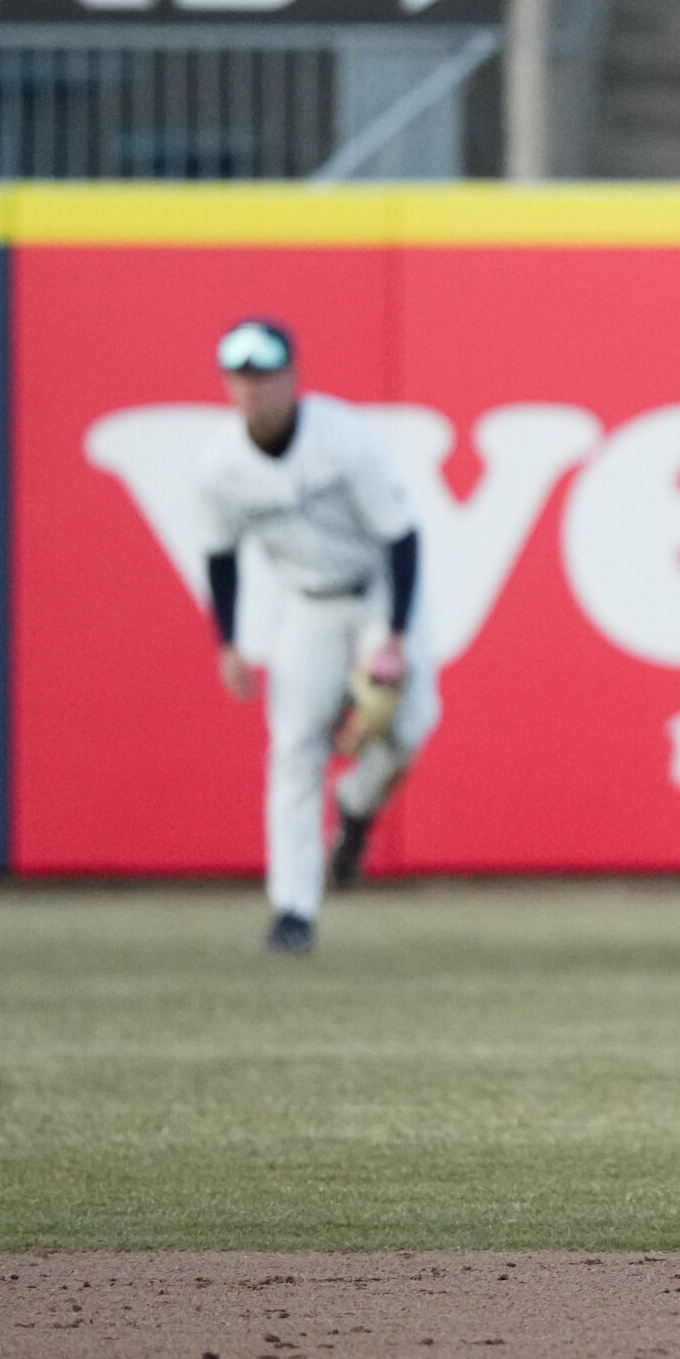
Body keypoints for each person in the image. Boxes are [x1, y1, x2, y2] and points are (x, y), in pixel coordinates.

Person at [197, 319, 437, 954]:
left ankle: (356, 807)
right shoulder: (221, 466)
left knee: (408, 727)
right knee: (295, 750)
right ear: (227, 385)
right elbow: (220, 555)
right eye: (242, 377)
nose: (254, 390)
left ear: (293, 378)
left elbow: (401, 535)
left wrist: (394, 637)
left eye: (266, 375)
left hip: (377, 588)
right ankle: (293, 911)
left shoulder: (342, 439)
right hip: (306, 605)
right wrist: (228, 642)